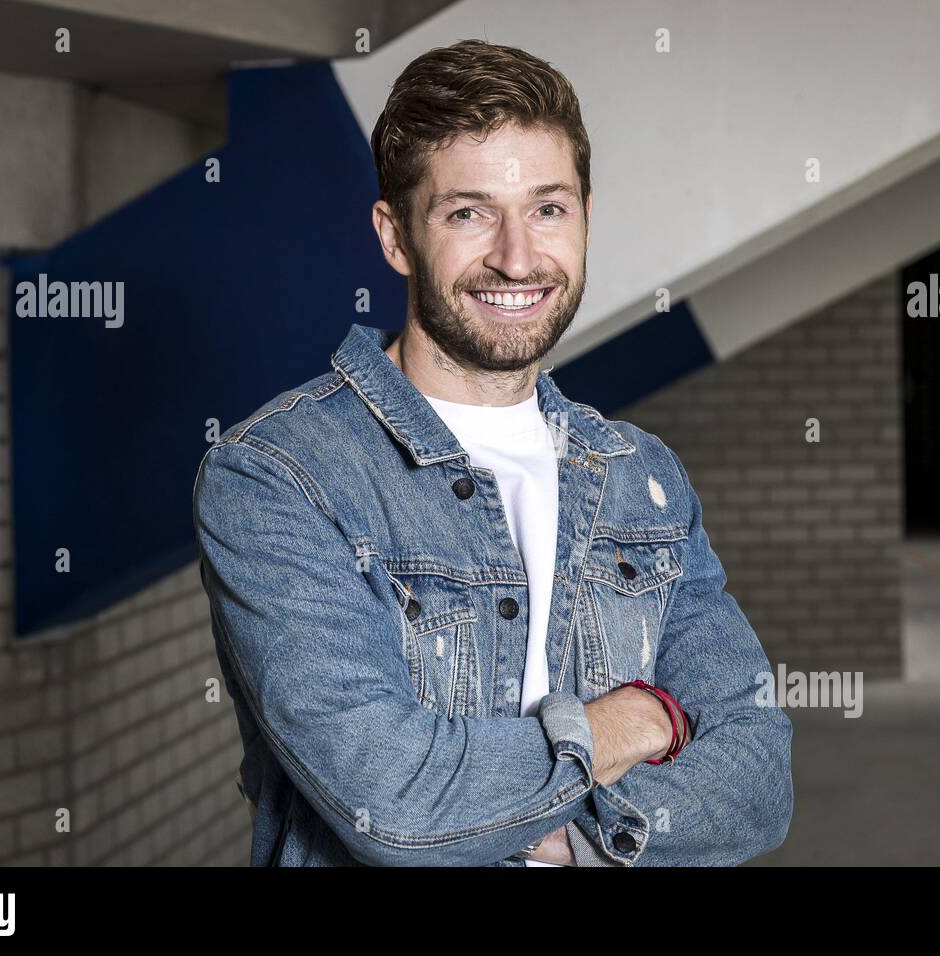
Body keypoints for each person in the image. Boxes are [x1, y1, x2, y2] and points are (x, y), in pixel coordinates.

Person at [193, 38, 792, 866]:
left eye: (549, 208)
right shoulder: (279, 477)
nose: (518, 257)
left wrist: (575, 840)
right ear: (396, 237)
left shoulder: (640, 476)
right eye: (469, 212)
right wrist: (617, 726)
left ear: (585, 217)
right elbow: (391, 798)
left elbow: (759, 779)